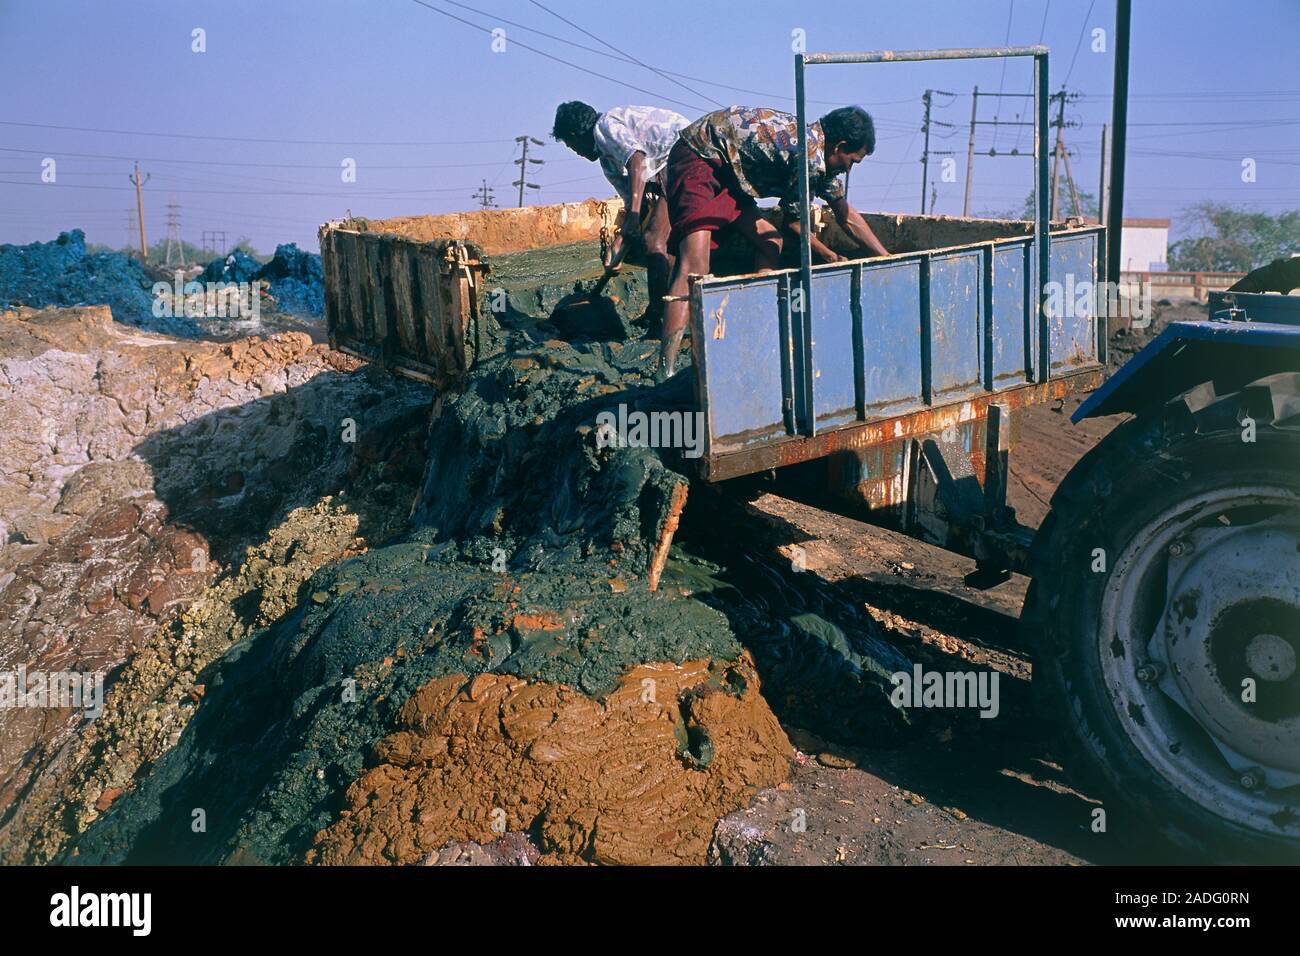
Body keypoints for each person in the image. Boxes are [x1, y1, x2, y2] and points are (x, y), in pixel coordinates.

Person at [660, 105, 890, 374]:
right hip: (700, 157)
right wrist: (830, 257)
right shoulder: (808, 156)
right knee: (695, 265)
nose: (849, 170)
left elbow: (845, 214)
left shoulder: (821, 154)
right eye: (852, 161)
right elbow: (793, 224)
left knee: (771, 243)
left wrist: (885, 256)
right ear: (839, 146)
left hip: (731, 175)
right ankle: (667, 366)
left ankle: (755, 329)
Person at [551, 101, 689, 333]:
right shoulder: (608, 162)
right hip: (670, 166)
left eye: (570, 145)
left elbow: (637, 159)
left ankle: (659, 321)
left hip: (686, 153)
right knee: (660, 244)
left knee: (654, 241)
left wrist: (634, 217)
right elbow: (638, 202)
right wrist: (619, 242)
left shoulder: (604, 127)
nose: (575, 152)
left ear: (576, 135)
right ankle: (665, 309)